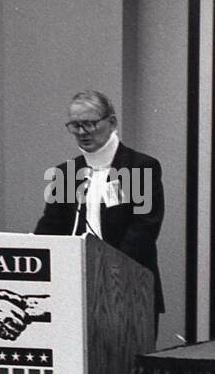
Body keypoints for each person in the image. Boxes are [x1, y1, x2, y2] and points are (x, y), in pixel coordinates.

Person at [34, 90, 165, 331]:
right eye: (75, 126)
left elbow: (143, 229)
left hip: (128, 289)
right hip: (74, 292)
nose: (82, 132)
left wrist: (106, 274)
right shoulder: (67, 173)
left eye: (90, 124)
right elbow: (50, 227)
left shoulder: (140, 167)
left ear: (112, 122)